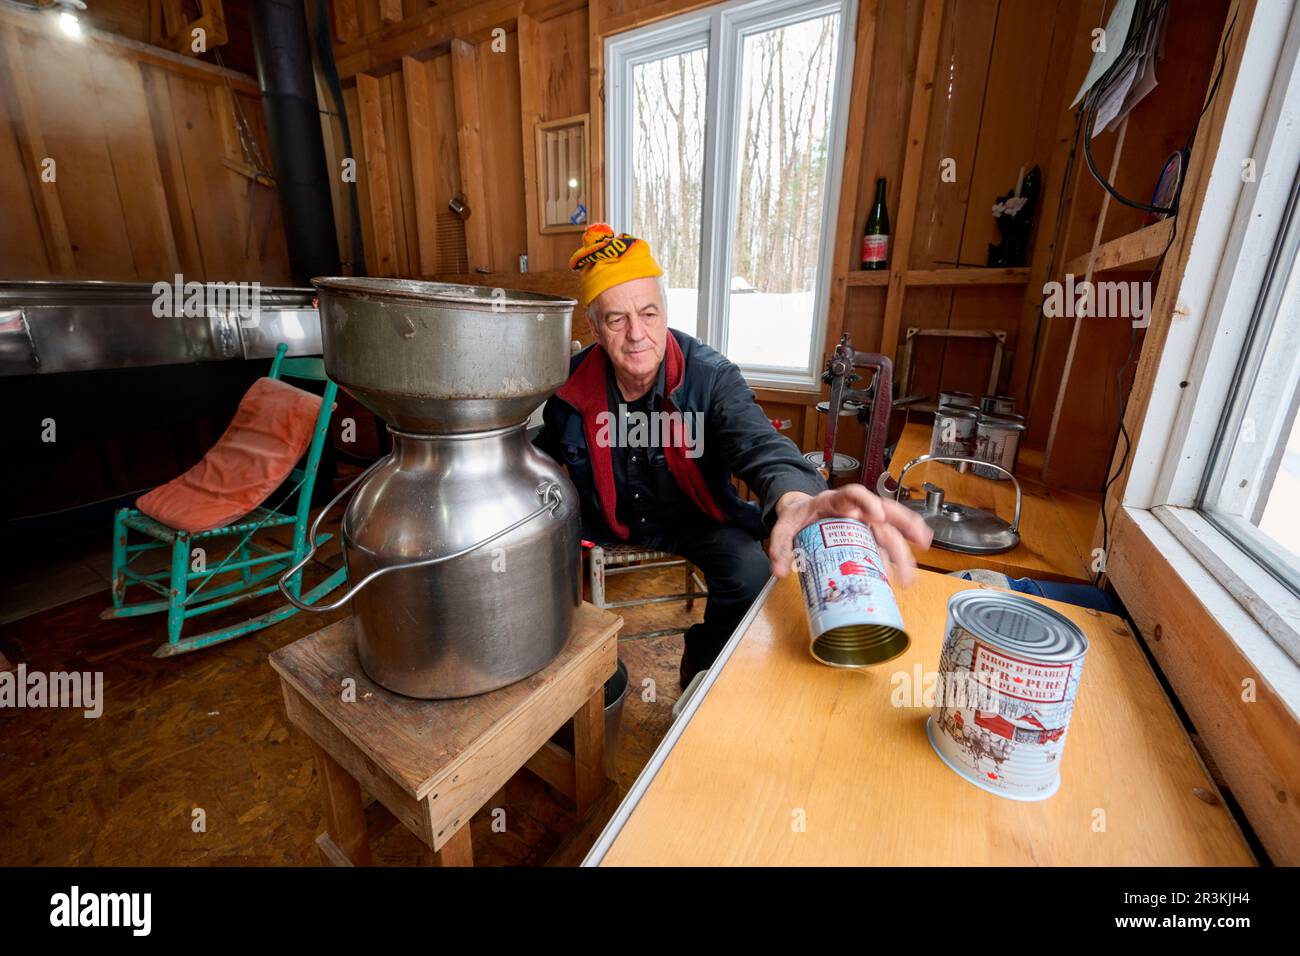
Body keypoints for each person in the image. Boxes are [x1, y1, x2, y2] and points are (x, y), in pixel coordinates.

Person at [534, 224, 931, 687]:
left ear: (664, 313)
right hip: (604, 521)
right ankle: (592, 681)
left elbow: (759, 444)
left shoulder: (710, 377)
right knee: (535, 570)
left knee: (751, 572)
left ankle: (701, 659)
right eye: (617, 320)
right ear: (594, 328)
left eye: (648, 313)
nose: (637, 334)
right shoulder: (566, 386)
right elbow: (529, 459)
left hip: (695, 516)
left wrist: (799, 498)